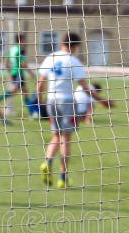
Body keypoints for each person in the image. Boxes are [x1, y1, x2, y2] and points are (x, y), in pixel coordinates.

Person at [36, 32, 110, 189]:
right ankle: (63, 178)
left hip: (51, 100)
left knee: (56, 135)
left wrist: (40, 99)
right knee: (66, 138)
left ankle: (47, 161)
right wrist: (103, 100)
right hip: (67, 101)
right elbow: (84, 87)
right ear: (75, 46)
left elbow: (41, 82)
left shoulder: (51, 57)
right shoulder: (73, 61)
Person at [0, 33, 38, 118]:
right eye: (24, 40)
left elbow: (6, 63)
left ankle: (32, 112)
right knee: (14, 91)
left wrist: (10, 72)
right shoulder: (19, 50)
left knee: (25, 92)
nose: (25, 42)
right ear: (21, 40)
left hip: (14, 73)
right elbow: (23, 64)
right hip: (19, 73)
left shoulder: (12, 49)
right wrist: (31, 73)